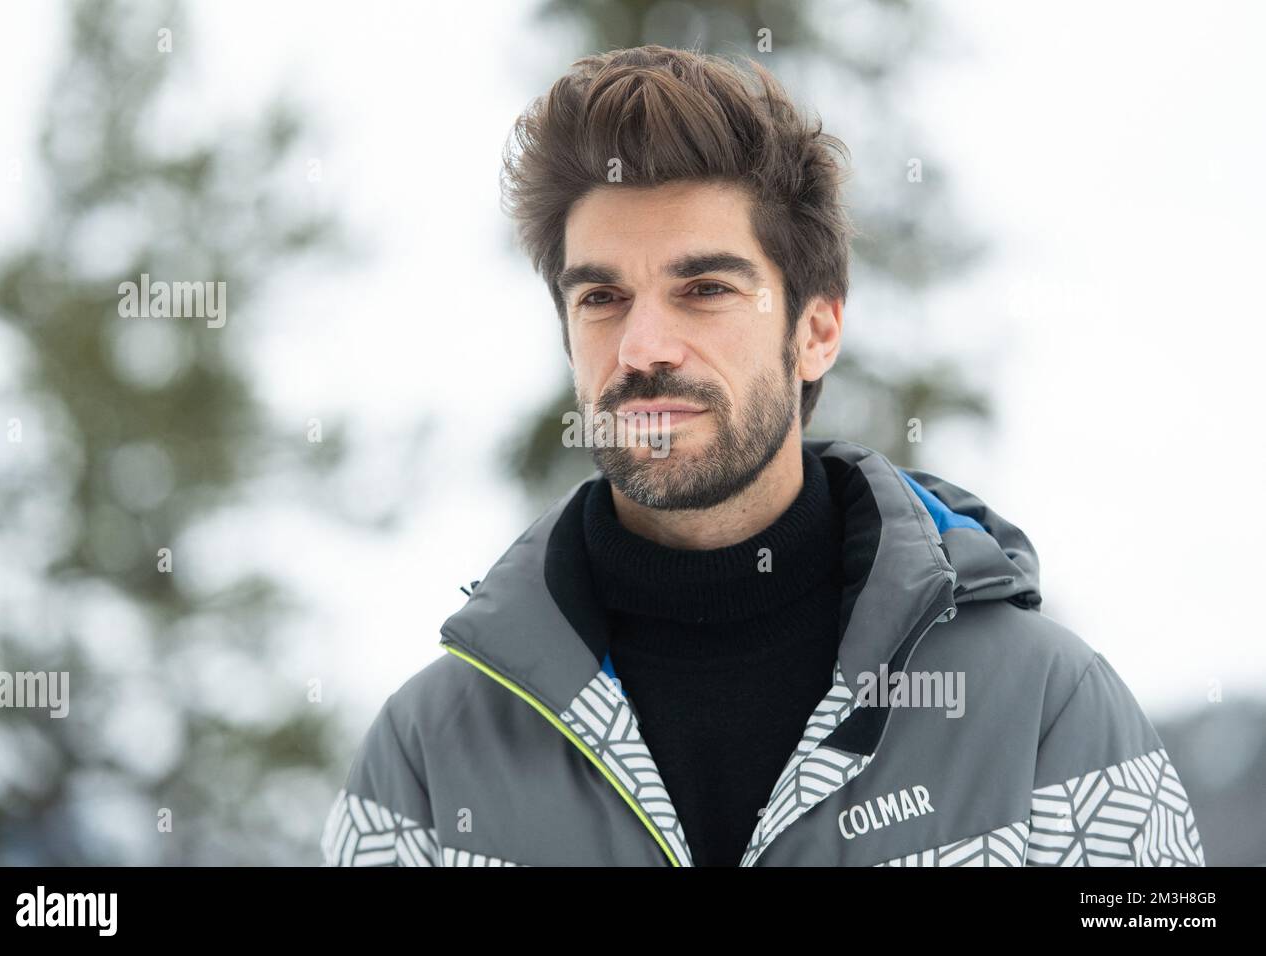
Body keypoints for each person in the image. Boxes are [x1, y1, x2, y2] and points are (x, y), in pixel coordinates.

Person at [321, 45, 1204, 867]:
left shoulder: (1044, 709)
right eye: (602, 297)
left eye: (704, 289)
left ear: (815, 330)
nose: (643, 347)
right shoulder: (429, 754)